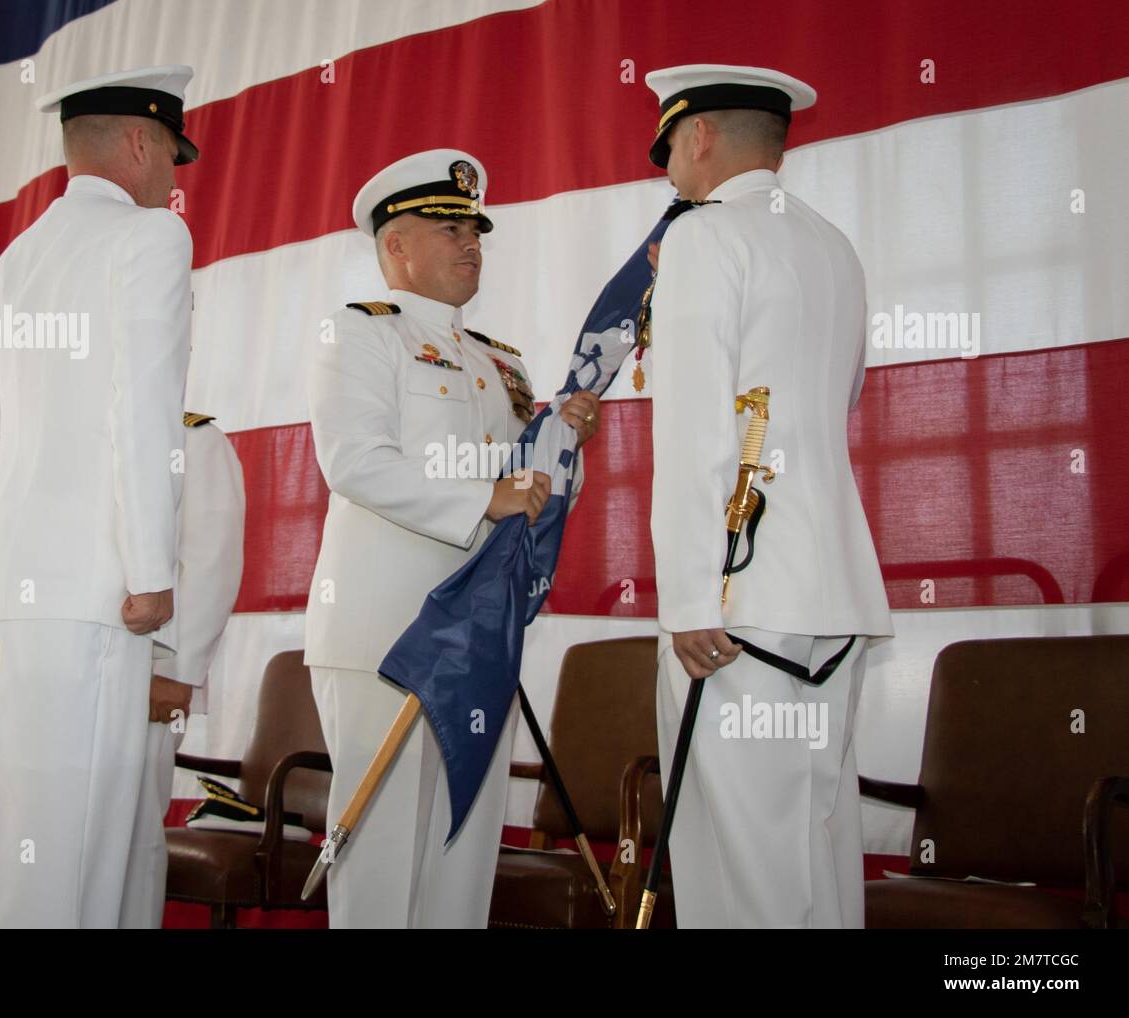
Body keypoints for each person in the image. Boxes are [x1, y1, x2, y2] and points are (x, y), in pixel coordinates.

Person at [304, 149, 600, 928]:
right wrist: (488, 496)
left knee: (461, 864)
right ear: (394, 245)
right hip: (387, 634)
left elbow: (526, 493)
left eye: (475, 227)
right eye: (448, 227)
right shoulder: (361, 335)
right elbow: (355, 463)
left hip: (479, 636)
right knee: (381, 863)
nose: (471, 242)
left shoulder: (502, 361)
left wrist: (561, 444)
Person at [0, 65, 199, 928]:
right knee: (78, 872)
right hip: (94, 604)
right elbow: (143, 411)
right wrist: (150, 568)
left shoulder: (20, 255)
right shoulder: (150, 237)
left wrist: (5, 565)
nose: (173, 175)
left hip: (1, 604)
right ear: (137, 141)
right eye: (169, 152)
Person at [645, 64, 893, 928]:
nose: (668, 167)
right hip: (833, 591)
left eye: (669, 145)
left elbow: (696, 433)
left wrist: (686, 594)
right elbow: (837, 407)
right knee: (821, 860)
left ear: (701, 134)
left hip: (738, 599)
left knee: (741, 876)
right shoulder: (832, 244)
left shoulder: (704, 237)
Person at [119, 412, 246, 929]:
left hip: (147, 673)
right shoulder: (79, 431)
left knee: (131, 838)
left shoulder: (195, 438)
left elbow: (213, 560)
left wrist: (179, 671)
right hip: (69, 669)